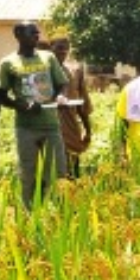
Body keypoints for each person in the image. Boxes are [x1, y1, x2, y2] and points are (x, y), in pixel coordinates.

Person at [0, 20, 69, 207]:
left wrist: (61, 97)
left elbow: (62, 84)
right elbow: (1, 95)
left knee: (58, 173)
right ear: (18, 35)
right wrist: (20, 105)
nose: (37, 37)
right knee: (28, 174)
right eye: (32, 33)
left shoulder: (48, 58)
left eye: (38, 33)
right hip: (26, 128)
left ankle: (57, 213)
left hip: (51, 126)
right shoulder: (8, 63)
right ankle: (28, 215)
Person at [51, 36, 93, 178]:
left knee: (73, 171)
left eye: (66, 49)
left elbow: (83, 103)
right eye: (59, 49)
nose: (63, 52)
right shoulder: (44, 71)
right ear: (51, 49)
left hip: (71, 128)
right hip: (50, 127)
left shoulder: (75, 70)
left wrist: (88, 130)